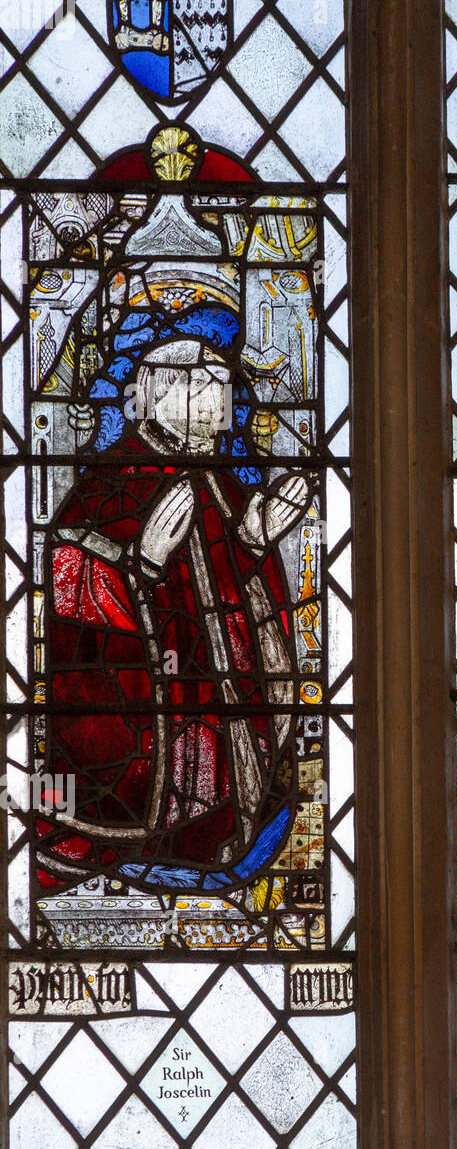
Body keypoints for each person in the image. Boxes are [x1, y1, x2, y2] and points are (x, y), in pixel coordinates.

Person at [35, 337, 309, 892]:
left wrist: (254, 540)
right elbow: (70, 575)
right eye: (212, 390)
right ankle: (135, 842)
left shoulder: (216, 479)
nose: (225, 408)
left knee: (223, 775)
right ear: (169, 394)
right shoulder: (114, 480)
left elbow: (232, 586)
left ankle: (218, 831)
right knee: (140, 783)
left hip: (212, 682)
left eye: (226, 392)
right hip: (153, 694)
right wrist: (142, 565)